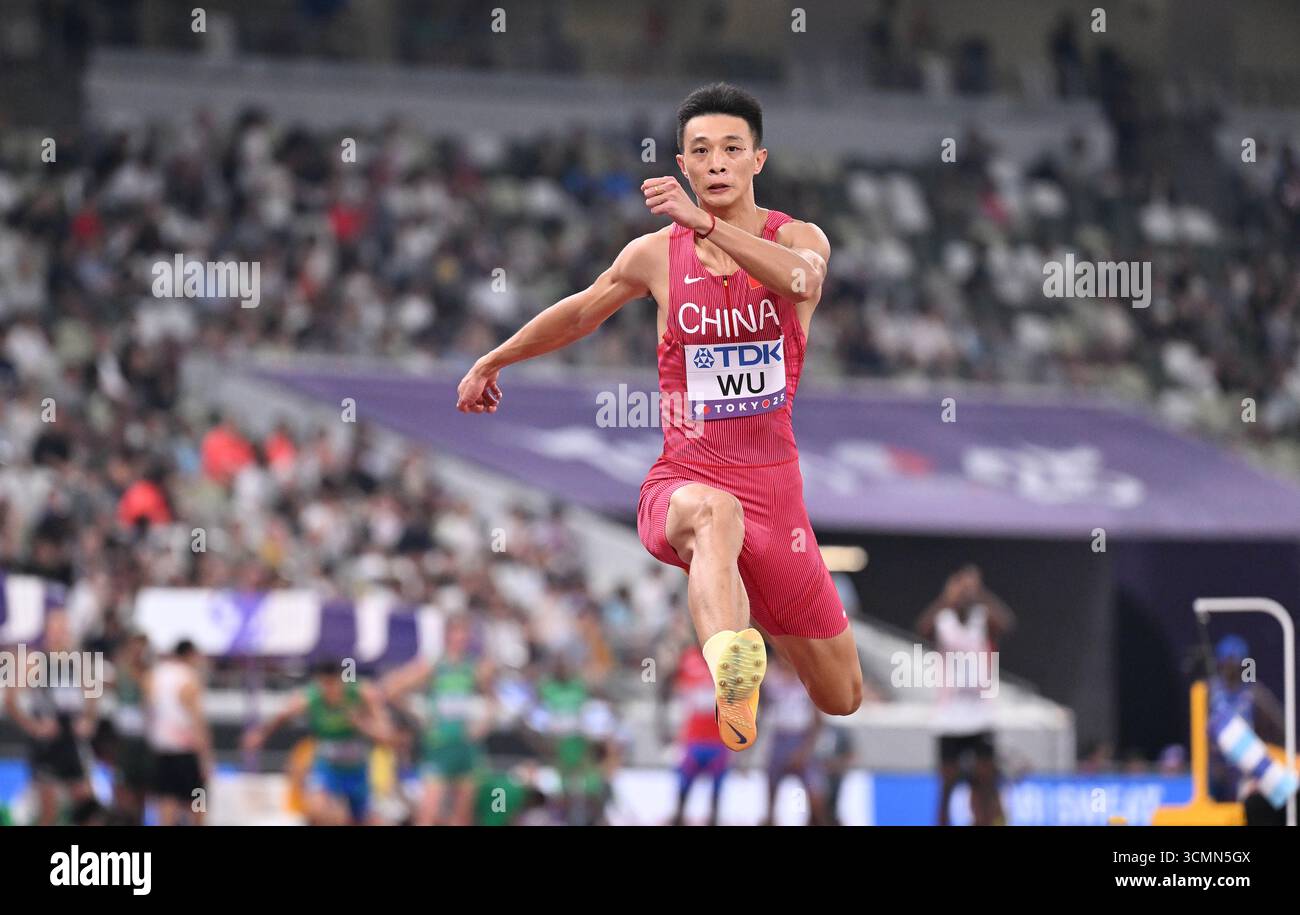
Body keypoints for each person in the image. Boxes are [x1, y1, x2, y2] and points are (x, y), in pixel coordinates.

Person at [457, 82, 863, 752]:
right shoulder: (655, 256)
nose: (717, 163)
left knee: (841, 695)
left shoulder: (795, 237)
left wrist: (706, 223)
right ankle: (733, 672)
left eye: (732, 148)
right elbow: (582, 310)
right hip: (685, 479)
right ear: (682, 163)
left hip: (778, 499)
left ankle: (749, 606)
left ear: (758, 159)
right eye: (700, 151)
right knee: (715, 514)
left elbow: (802, 281)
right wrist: (493, 360)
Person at [916, 564, 1015, 826]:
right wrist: (946, 598)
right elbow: (922, 628)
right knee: (947, 783)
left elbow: (1007, 623)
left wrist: (979, 592)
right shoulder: (944, 621)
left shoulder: (983, 619)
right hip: (949, 715)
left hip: (980, 714)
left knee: (985, 782)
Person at [242, 660, 393, 825]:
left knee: (364, 820)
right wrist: (261, 735)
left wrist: (361, 725)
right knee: (319, 810)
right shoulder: (311, 697)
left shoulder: (362, 694)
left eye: (333, 684)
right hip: (328, 769)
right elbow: (283, 715)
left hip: (357, 770)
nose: (329, 691)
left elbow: (386, 735)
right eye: (324, 685)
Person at [381, 615, 493, 826]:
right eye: (455, 633)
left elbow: (492, 701)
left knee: (462, 815)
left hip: (466, 747)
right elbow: (392, 689)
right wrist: (418, 712)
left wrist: (482, 725)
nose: (460, 639)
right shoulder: (434, 665)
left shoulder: (475, 668)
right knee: (428, 811)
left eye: (464, 634)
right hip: (439, 746)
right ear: (446, 636)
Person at [3, 611, 96, 825]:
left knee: (87, 807)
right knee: (49, 810)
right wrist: (33, 726)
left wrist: (88, 720)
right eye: (56, 630)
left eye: (64, 630)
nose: (61, 635)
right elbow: (10, 699)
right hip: (47, 742)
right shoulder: (36, 662)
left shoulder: (78, 661)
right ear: (47, 632)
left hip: (72, 740)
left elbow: (92, 695)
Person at [661, 642, 730, 826]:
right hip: (694, 738)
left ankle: (713, 818)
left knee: (717, 789)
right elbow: (667, 685)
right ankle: (678, 816)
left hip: (719, 739)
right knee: (684, 784)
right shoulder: (688, 658)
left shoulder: (725, 657)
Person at [146, 639, 212, 826]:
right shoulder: (188, 678)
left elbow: (148, 710)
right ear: (190, 655)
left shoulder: (156, 675)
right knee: (198, 800)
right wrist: (205, 757)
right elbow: (198, 720)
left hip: (163, 750)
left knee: (167, 799)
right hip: (186, 750)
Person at [108, 632, 153, 824]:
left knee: (142, 788)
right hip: (124, 739)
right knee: (122, 787)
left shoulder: (149, 673)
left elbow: (150, 698)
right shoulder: (120, 671)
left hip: (145, 739)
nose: (137, 652)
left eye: (141, 647)